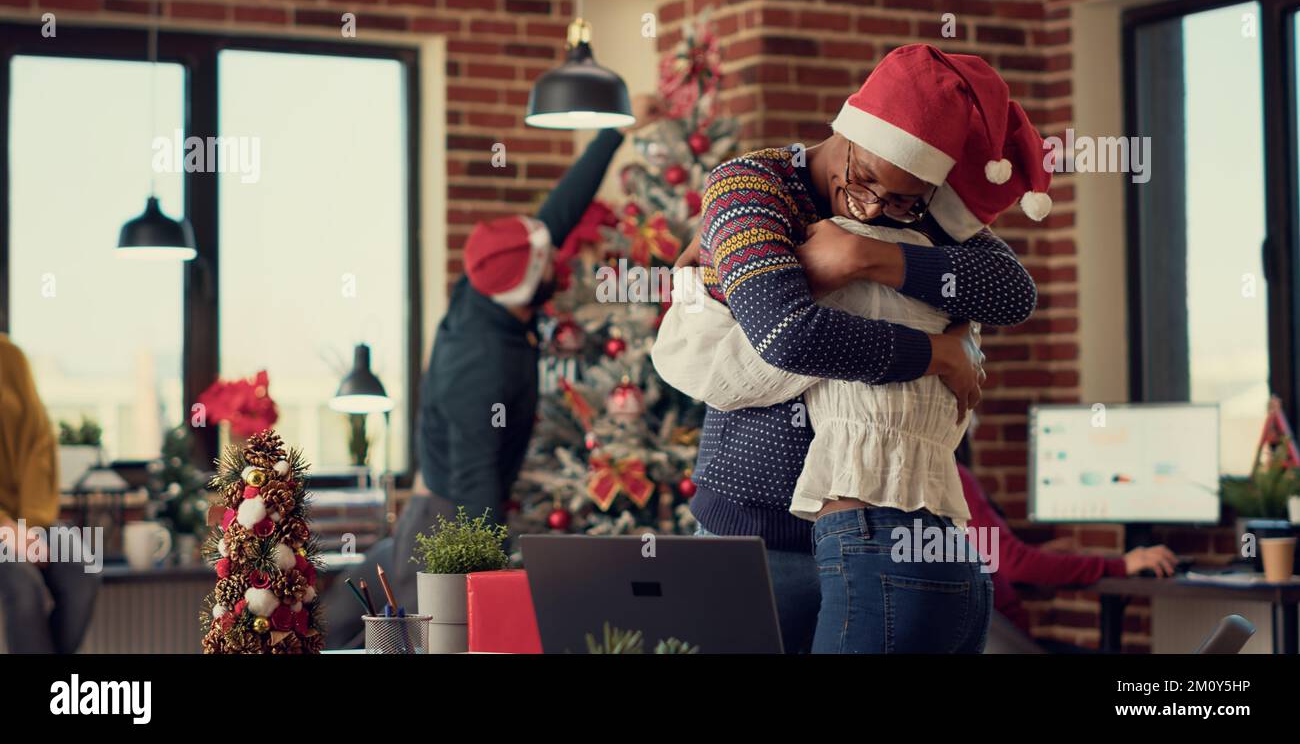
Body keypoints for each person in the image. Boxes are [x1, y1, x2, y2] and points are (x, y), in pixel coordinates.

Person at [657, 44, 1047, 652]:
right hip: (760, 531)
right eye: (865, 185)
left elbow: (1011, 293)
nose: (878, 209)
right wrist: (935, 352)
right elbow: (788, 334)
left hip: (882, 522)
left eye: (903, 202)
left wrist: (873, 255)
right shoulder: (750, 187)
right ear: (844, 135)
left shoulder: (907, 204)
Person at [322, 98, 655, 648]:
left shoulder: (482, 293)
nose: (559, 261)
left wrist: (611, 132)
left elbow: (554, 219)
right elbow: (477, 486)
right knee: (425, 643)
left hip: (442, 507)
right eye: (548, 263)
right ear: (526, 288)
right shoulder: (481, 365)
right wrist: (490, 584)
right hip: (445, 525)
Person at [955, 438, 1177, 652]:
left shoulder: (932, 478)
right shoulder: (953, 477)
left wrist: (1038, 556)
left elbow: (983, 557)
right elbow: (1012, 563)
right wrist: (1120, 565)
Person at [0, 334, 101, 653]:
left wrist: (29, 527)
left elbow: (38, 442)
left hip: (26, 518)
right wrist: (8, 531)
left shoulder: (9, 355)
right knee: (23, 584)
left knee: (84, 567)